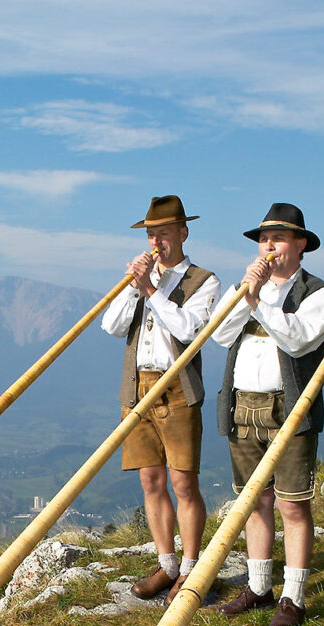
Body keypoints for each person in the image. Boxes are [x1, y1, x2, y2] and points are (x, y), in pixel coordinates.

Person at [210, 203, 324, 626]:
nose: (268, 247)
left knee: (292, 506)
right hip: (244, 405)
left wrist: (258, 300)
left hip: (289, 410)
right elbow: (221, 334)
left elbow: (298, 341)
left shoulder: (317, 292)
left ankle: (293, 597)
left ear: (300, 245)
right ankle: (259, 587)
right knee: (253, 502)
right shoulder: (245, 287)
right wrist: (246, 294)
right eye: (264, 240)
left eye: (277, 239)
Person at [101, 195, 220, 604]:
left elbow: (190, 330)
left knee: (183, 482)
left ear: (183, 233)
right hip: (137, 388)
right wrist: (136, 288)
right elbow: (111, 325)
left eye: (164, 234)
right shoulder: (141, 280)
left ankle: (190, 568)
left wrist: (151, 289)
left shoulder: (204, 281)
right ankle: (166, 564)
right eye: (152, 234)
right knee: (150, 480)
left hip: (177, 389)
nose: (156, 242)